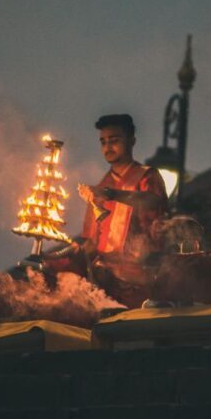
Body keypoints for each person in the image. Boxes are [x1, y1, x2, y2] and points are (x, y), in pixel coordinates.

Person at [45, 114, 168, 308]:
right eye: (103, 142)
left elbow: (152, 202)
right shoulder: (101, 187)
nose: (107, 147)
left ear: (132, 141)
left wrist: (112, 194)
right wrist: (62, 255)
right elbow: (92, 244)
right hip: (105, 285)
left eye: (114, 140)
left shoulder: (146, 176)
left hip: (140, 282)